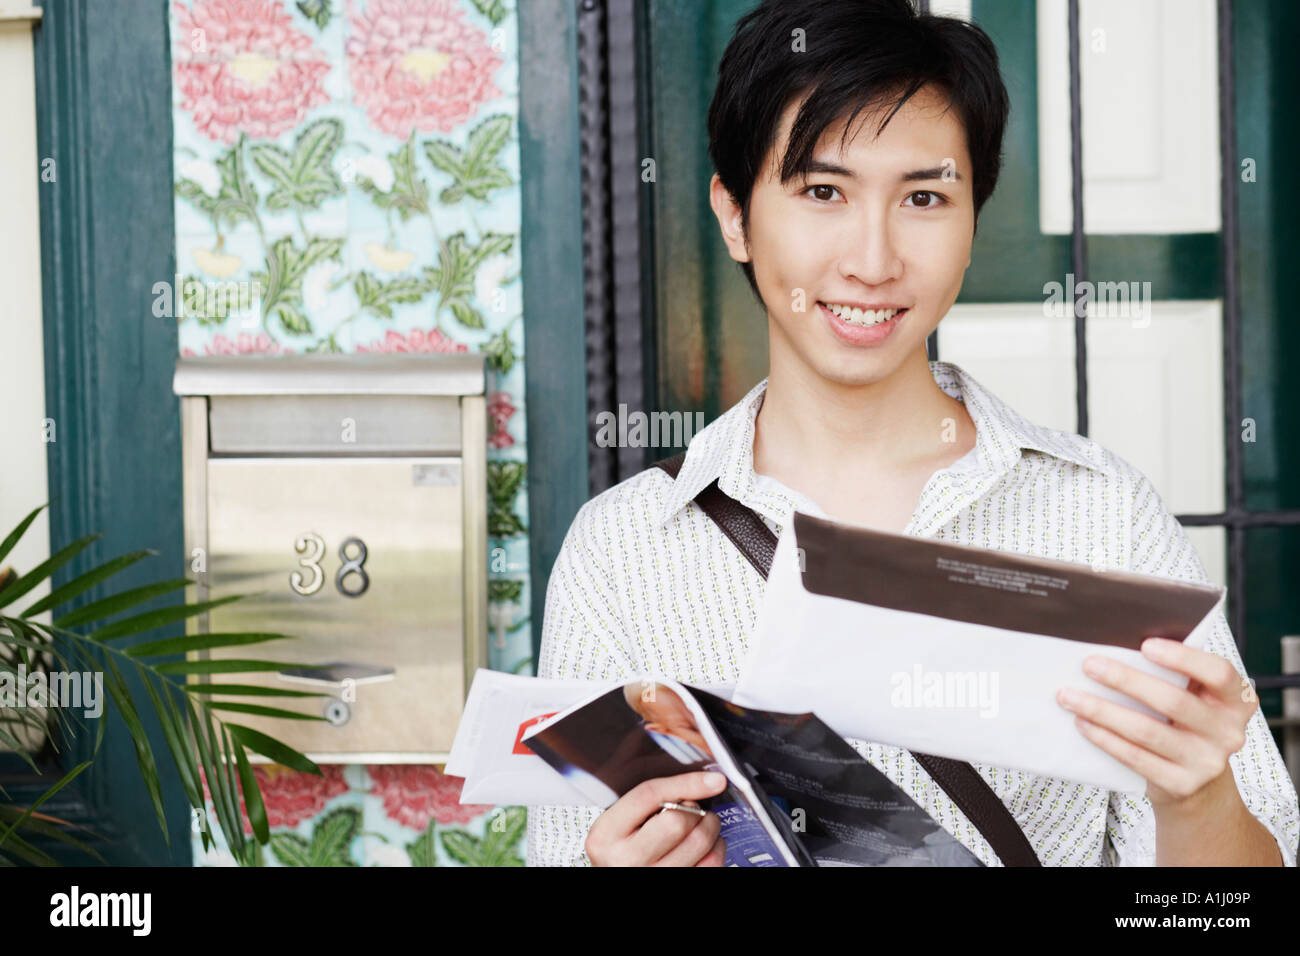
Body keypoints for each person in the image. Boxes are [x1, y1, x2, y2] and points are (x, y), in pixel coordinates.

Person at [525, 0, 1300, 867]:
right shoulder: (623, 550)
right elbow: (565, 847)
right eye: (823, 192)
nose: (873, 258)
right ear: (735, 214)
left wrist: (1197, 796)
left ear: (973, 222)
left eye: (925, 196)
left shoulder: (1101, 516)